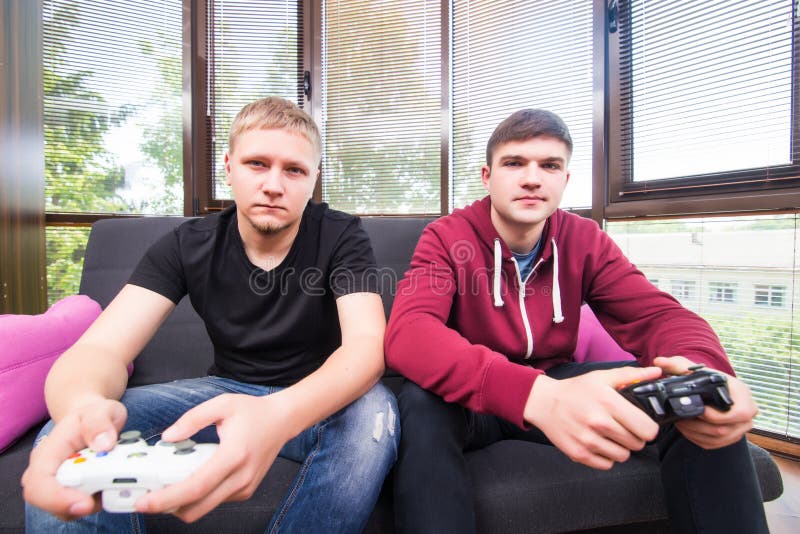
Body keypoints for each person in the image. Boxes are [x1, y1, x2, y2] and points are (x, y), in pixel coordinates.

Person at [22, 96, 399, 533]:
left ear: (313, 179)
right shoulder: (187, 244)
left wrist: (276, 414)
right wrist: (85, 404)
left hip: (317, 401)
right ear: (229, 166)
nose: (274, 184)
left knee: (376, 416)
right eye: (257, 163)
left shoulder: (342, 235)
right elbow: (101, 348)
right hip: (222, 392)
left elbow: (366, 347)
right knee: (65, 433)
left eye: (294, 170)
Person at [385, 109, 768, 533]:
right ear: (486, 176)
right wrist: (536, 395)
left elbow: (659, 314)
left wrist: (703, 370)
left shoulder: (584, 240)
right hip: (475, 401)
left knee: (695, 396)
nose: (532, 178)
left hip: (564, 382)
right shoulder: (447, 236)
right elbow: (410, 333)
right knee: (420, 404)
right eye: (514, 163)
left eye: (549, 165)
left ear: (565, 180)